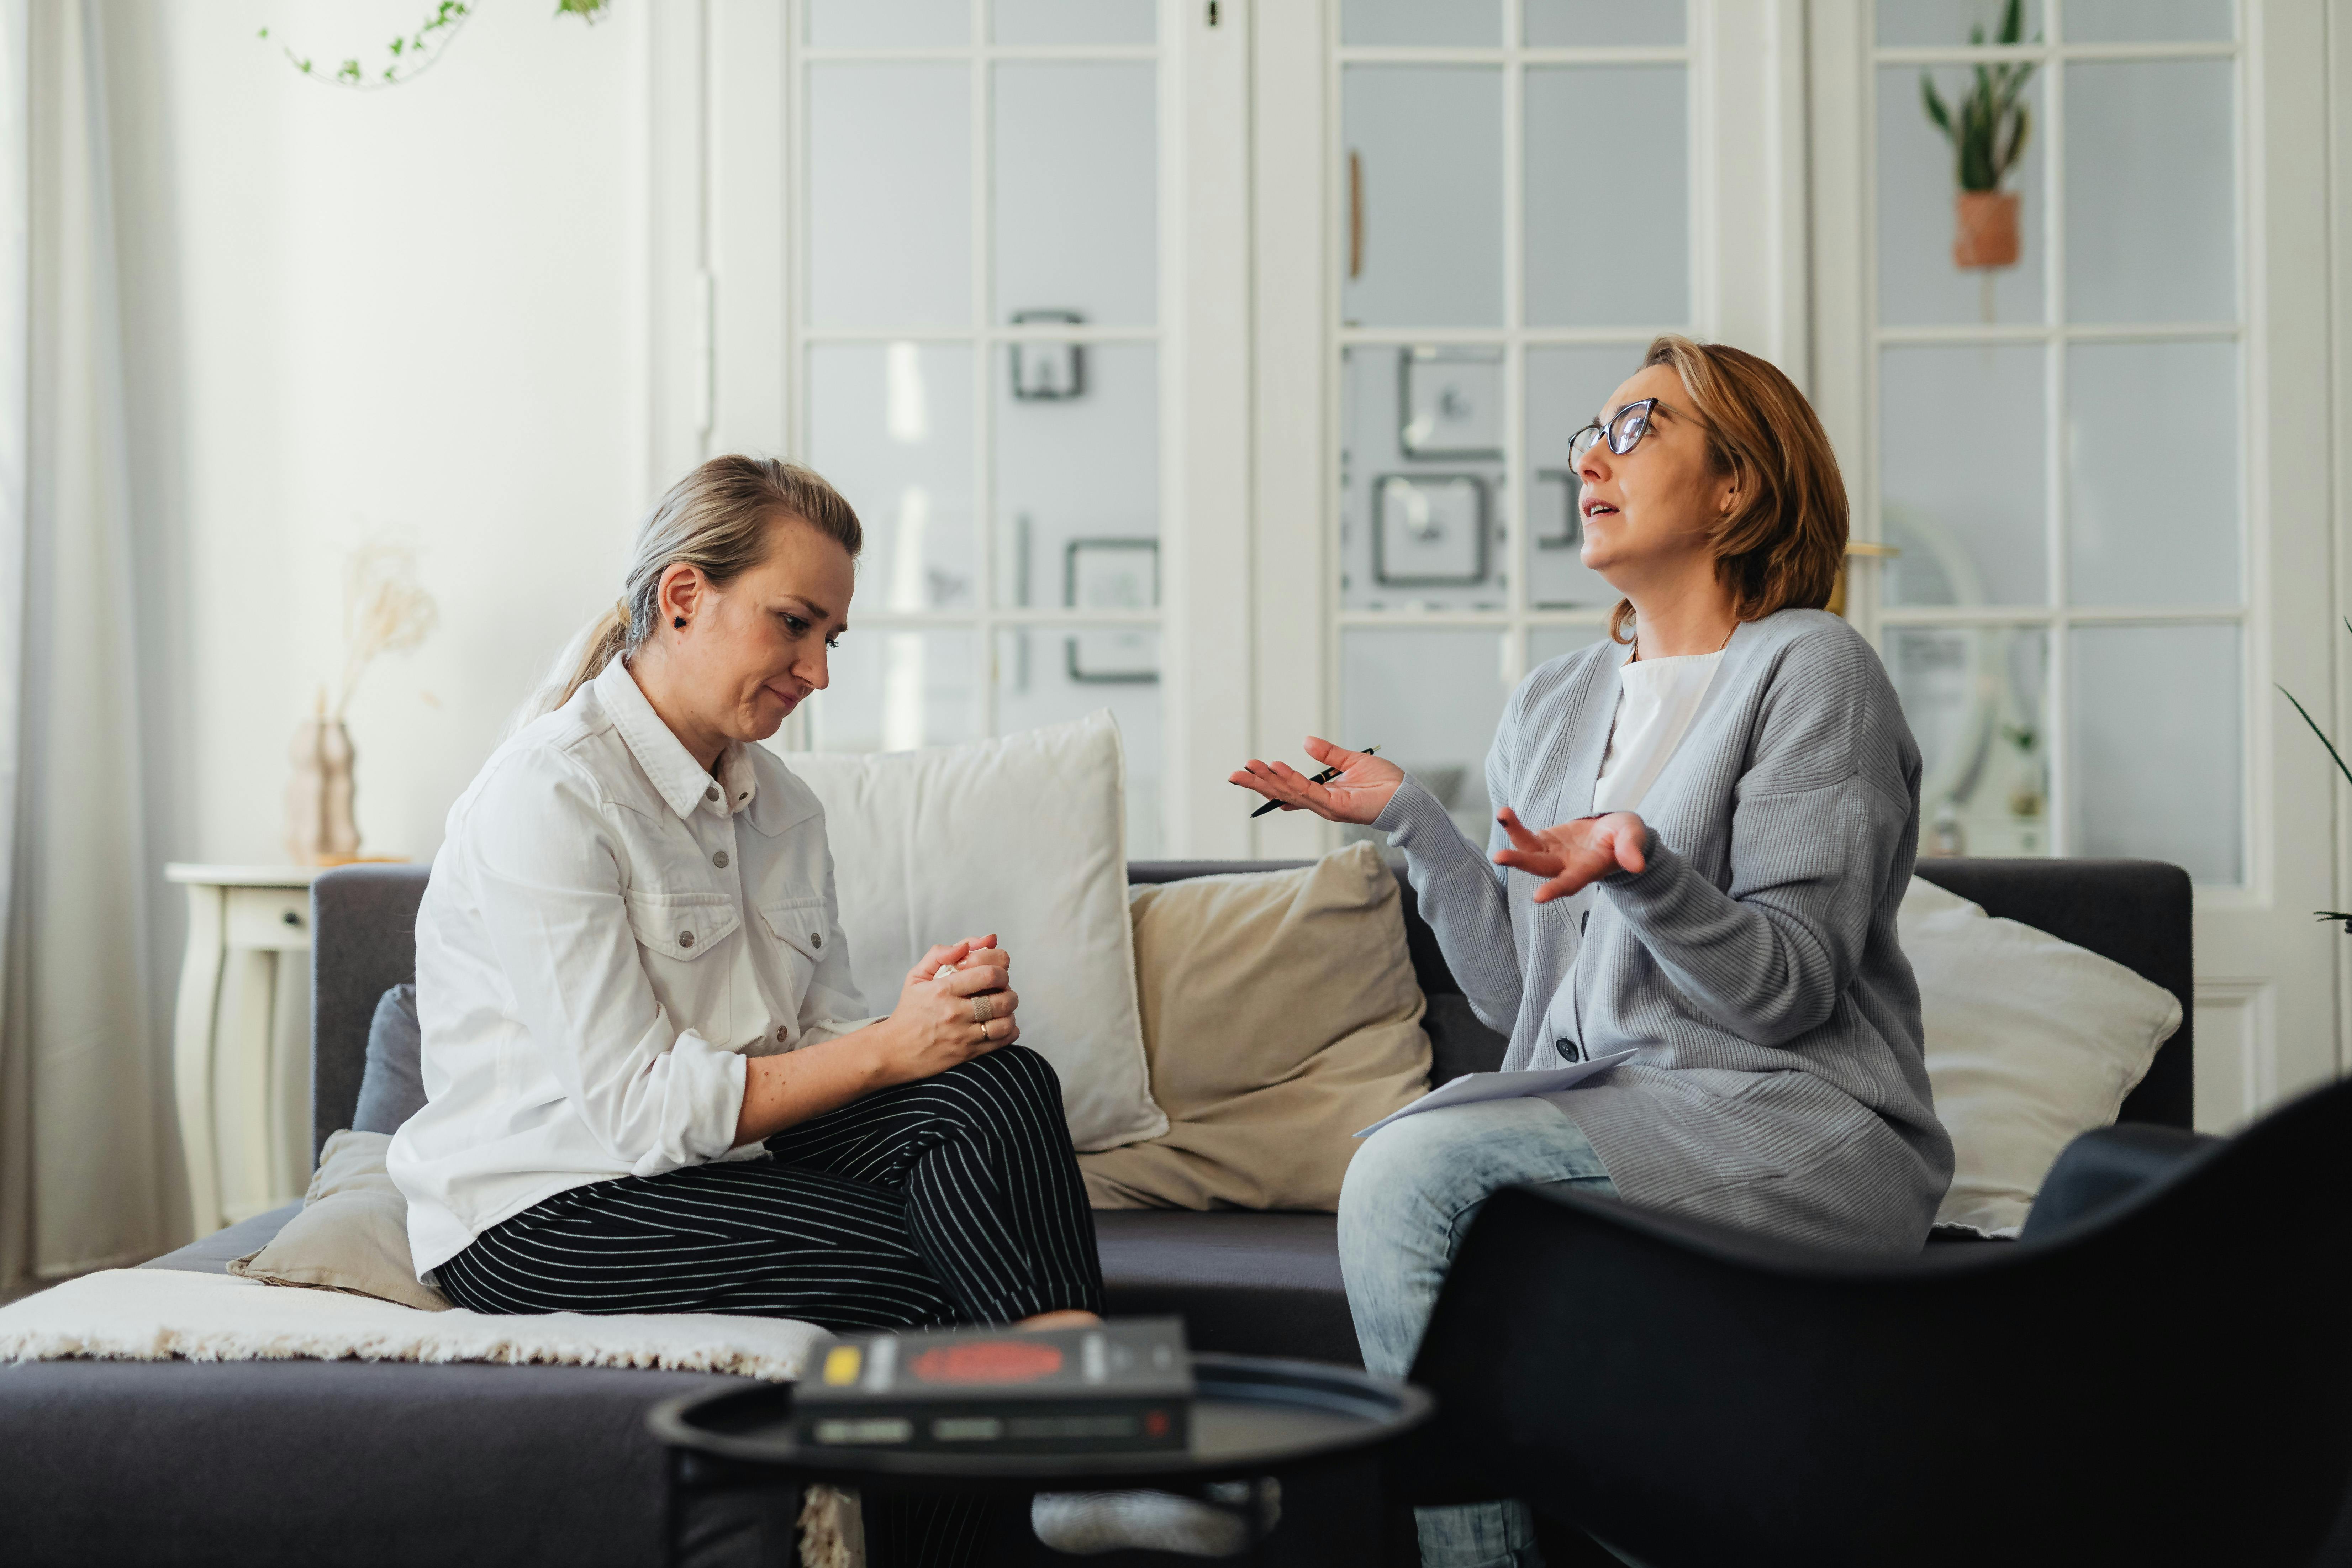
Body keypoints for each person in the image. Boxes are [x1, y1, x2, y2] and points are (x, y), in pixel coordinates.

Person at [1231, 336, 1954, 1568]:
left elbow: (1787, 991)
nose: (1590, 459)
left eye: (1636, 429)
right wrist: (1414, 824)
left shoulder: (1811, 668)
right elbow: (1530, 1003)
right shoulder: (1555, 702)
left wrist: (1647, 871)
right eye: (1588, 435)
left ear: (1734, 487)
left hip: (1793, 1120)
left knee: (1410, 1171)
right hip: (1628, 1114)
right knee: (1423, 1168)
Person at [388, 455, 1102, 1566]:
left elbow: (822, 1044)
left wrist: (923, 1029)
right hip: (546, 1208)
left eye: (833, 639)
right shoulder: (550, 794)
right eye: (794, 625)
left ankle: (1086, 1438)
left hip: (718, 1168)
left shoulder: (783, 807)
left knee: (1000, 1078)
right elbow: (633, 1113)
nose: (818, 671)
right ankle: (1091, 1448)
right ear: (684, 598)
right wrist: (884, 1051)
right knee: (918, 1284)